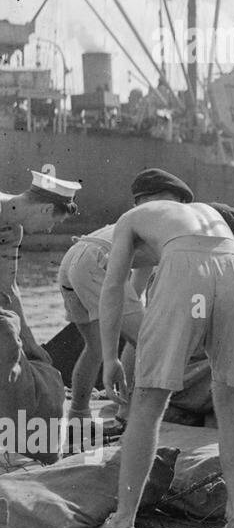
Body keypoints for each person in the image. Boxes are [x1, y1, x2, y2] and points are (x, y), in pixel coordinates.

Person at [90, 190, 234, 528]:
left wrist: (110, 359)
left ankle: (122, 523)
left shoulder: (129, 221)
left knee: (148, 401)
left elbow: (113, 288)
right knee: (230, 397)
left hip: (185, 265)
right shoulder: (193, 213)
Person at [57, 169, 195, 431]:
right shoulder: (162, 227)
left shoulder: (132, 224)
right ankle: (130, 414)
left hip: (74, 258)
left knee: (97, 346)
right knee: (150, 343)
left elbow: (135, 294)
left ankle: (78, 413)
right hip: (97, 261)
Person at [0, 169, 81, 367]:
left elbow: (8, 288)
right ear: (45, 209)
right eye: (53, 222)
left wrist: (30, 344)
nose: (49, 230)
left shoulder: (12, 231)